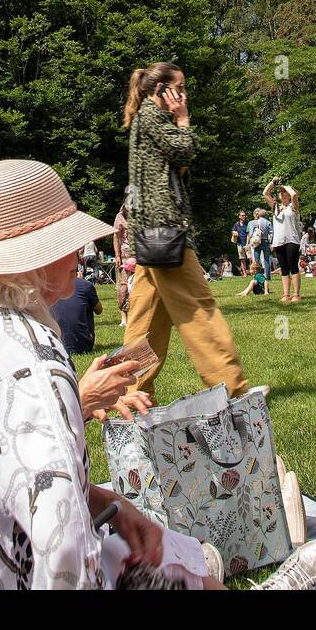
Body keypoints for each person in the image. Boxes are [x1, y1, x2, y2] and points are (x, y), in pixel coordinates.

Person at [0, 158, 229, 590]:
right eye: (67, 241)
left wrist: (106, 500)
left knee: (157, 557)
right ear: (35, 256)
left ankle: (195, 565)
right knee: (167, 568)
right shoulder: (30, 354)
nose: (79, 251)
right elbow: (63, 549)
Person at [122, 63, 249, 400]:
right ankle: (232, 389)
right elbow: (185, 149)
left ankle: (129, 390)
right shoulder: (152, 117)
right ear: (160, 89)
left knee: (145, 323)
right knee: (198, 309)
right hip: (164, 229)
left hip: (154, 234)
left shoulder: (147, 119)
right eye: (180, 86)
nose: (185, 94)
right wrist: (183, 118)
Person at [264, 179, 303, 303]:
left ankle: (296, 294)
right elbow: (265, 193)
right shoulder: (276, 207)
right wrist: (273, 183)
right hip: (279, 241)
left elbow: (294, 195)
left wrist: (286, 186)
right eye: (280, 192)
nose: (281, 193)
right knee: (284, 268)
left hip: (292, 240)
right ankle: (286, 294)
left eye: (283, 192)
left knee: (293, 266)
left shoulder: (293, 206)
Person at [51, 274, 102, 355]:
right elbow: (99, 310)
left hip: (54, 345)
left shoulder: (48, 286)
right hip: (83, 346)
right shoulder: (86, 285)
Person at [113, 196, 133, 328]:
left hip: (138, 256)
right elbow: (115, 236)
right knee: (123, 287)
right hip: (124, 256)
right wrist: (117, 255)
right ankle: (124, 318)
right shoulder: (119, 217)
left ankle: (135, 315)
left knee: (137, 286)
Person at [231, 211, 249, 276]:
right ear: (239, 216)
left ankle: (253, 273)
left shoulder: (247, 223)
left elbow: (248, 234)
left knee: (250, 258)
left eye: (244, 215)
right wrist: (234, 233)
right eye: (242, 215)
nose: (244, 216)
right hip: (239, 243)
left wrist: (247, 243)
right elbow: (233, 231)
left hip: (247, 243)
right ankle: (244, 273)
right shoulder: (236, 224)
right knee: (242, 259)